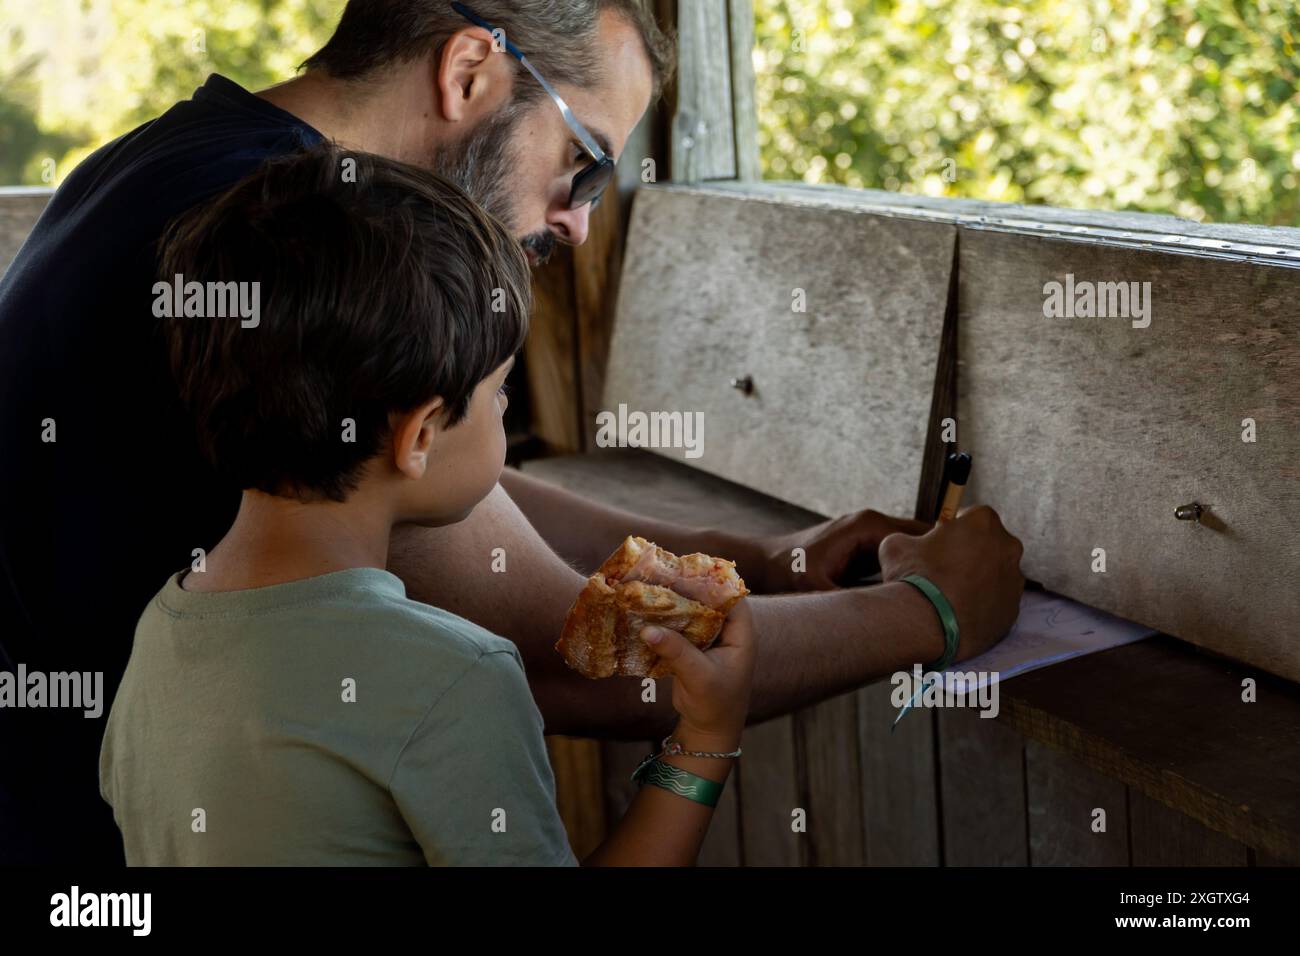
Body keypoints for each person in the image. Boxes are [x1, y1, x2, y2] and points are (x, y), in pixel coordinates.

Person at [0, 0, 1024, 864]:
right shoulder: (263, 220)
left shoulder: (201, 179)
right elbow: (574, 647)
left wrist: (761, 559)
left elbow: (431, 481)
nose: (579, 223)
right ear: (470, 70)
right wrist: (931, 611)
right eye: (583, 164)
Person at [99, 144, 754, 865]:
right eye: (501, 391)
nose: (504, 408)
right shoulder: (452, 676)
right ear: (418, 436)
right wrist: (704, 741)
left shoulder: (158, 642)